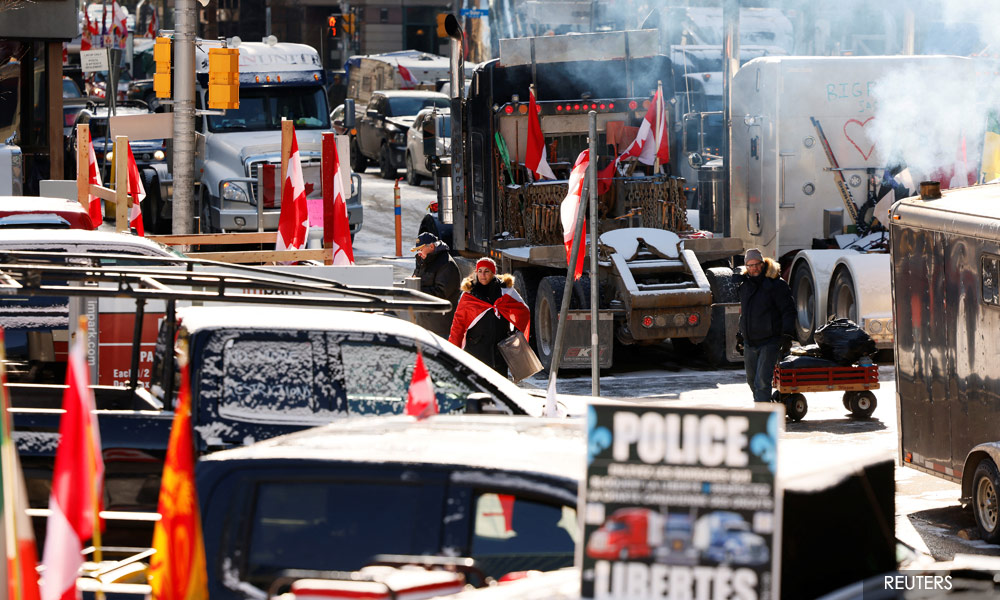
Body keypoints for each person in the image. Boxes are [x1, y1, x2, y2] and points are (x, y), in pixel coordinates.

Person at [448, 257, 530, 374]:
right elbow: (458, 324)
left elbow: (523, 311)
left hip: (500, 351)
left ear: (493, 272)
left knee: (500, 386)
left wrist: (516, 334)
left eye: (487, 271)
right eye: (480, 271)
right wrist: (453, 351)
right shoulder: (469, 295)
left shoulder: (505, 291)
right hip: (476, 351)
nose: (483, 275)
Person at [736, 248, 796, 403]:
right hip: (750, 342)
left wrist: (787, 335)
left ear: (763, 264)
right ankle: (766, 407)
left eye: (757, 264)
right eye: (750, 265)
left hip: (770, 341)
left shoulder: (776, 284)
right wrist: (740, 333)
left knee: (762, 382)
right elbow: (744, 312)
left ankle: (762, 418)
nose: (754, 268)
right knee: (751, 380)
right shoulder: (744, 286)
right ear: (746, 267)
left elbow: (788, 311)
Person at [411, 232, 461, 338]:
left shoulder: (447, 264)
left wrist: (415, 290)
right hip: (425, 323)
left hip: (439, 327)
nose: (419, 253)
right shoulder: (424, 261)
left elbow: (441, 293)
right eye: (417, 250)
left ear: (432, 246)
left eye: (420, 249)